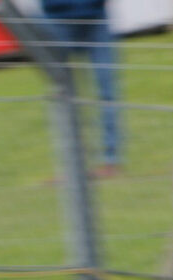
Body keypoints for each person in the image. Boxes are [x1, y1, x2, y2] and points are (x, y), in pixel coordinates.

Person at [38, 0, 122, 177]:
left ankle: (111, 162)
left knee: (107, 92)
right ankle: (71, 169)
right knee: (62, 94)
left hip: (95, 15)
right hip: (57, 18)